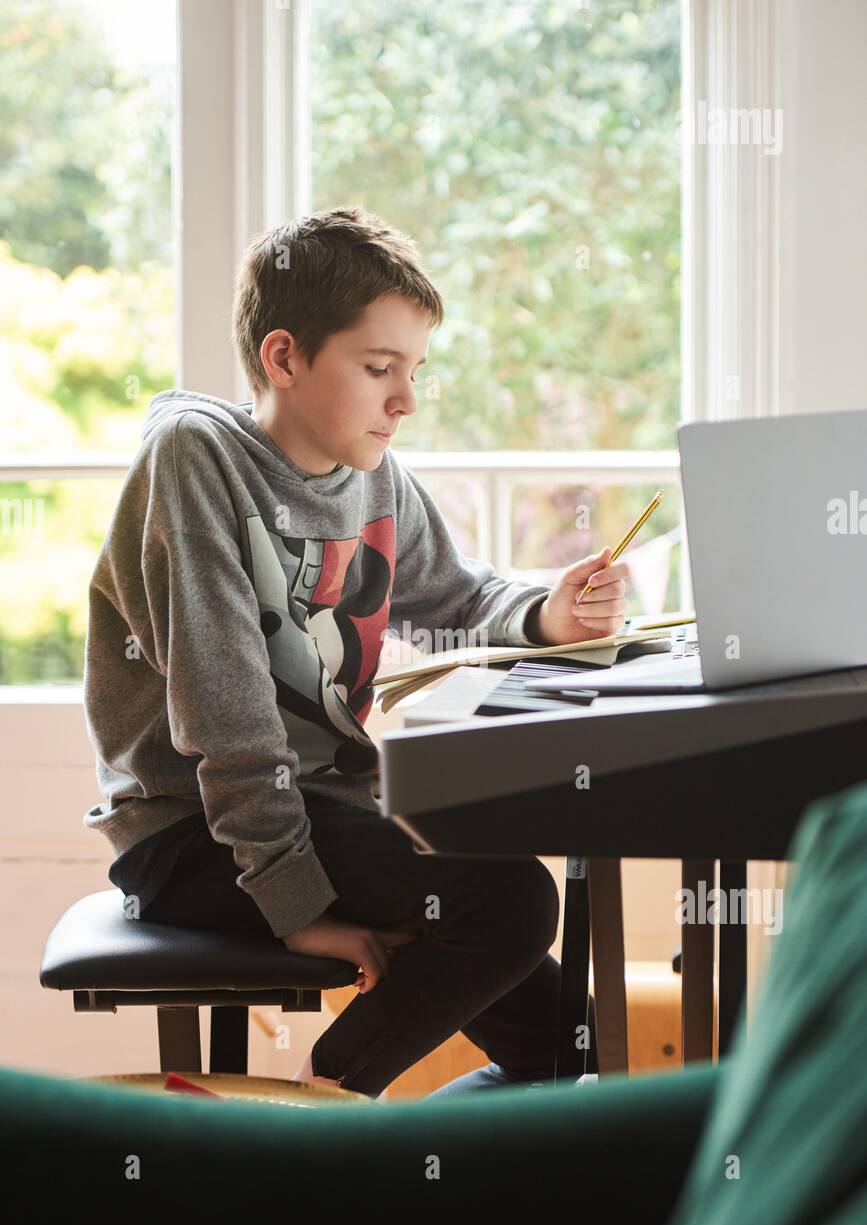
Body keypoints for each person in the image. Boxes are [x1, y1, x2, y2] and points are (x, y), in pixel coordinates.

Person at [82, 206, 628, 1099]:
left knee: (567, 1047)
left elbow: (455, 594)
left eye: (413, 372)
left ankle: (387, 1181)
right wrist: (296, 908)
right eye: (379, 370)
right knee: (517, 902)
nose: (404, 401)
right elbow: (226, 713)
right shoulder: (194, 459)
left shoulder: (371, 474)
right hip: (195, 833)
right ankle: (311, 1119)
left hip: (328, 811)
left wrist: (546, 616)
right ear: (284, 357)